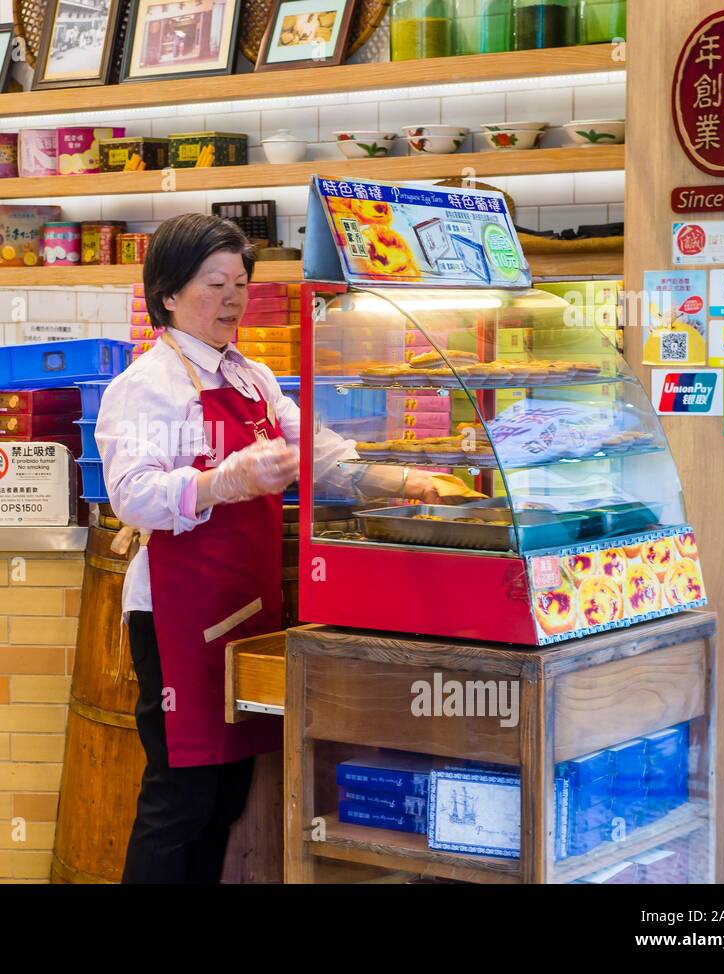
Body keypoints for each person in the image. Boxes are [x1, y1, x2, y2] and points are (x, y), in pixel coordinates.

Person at [95, 213, 455, 884]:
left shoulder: (254, 379)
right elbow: (133, 495)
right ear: (168, 292)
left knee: (226, 793)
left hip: (244, 608)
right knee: (181, 795)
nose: (233, 299)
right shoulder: (144, 387)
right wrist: (222, 481)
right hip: (176, 615)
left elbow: (318, 455)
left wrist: (404, 479)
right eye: (214, 283)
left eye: (240, 282)